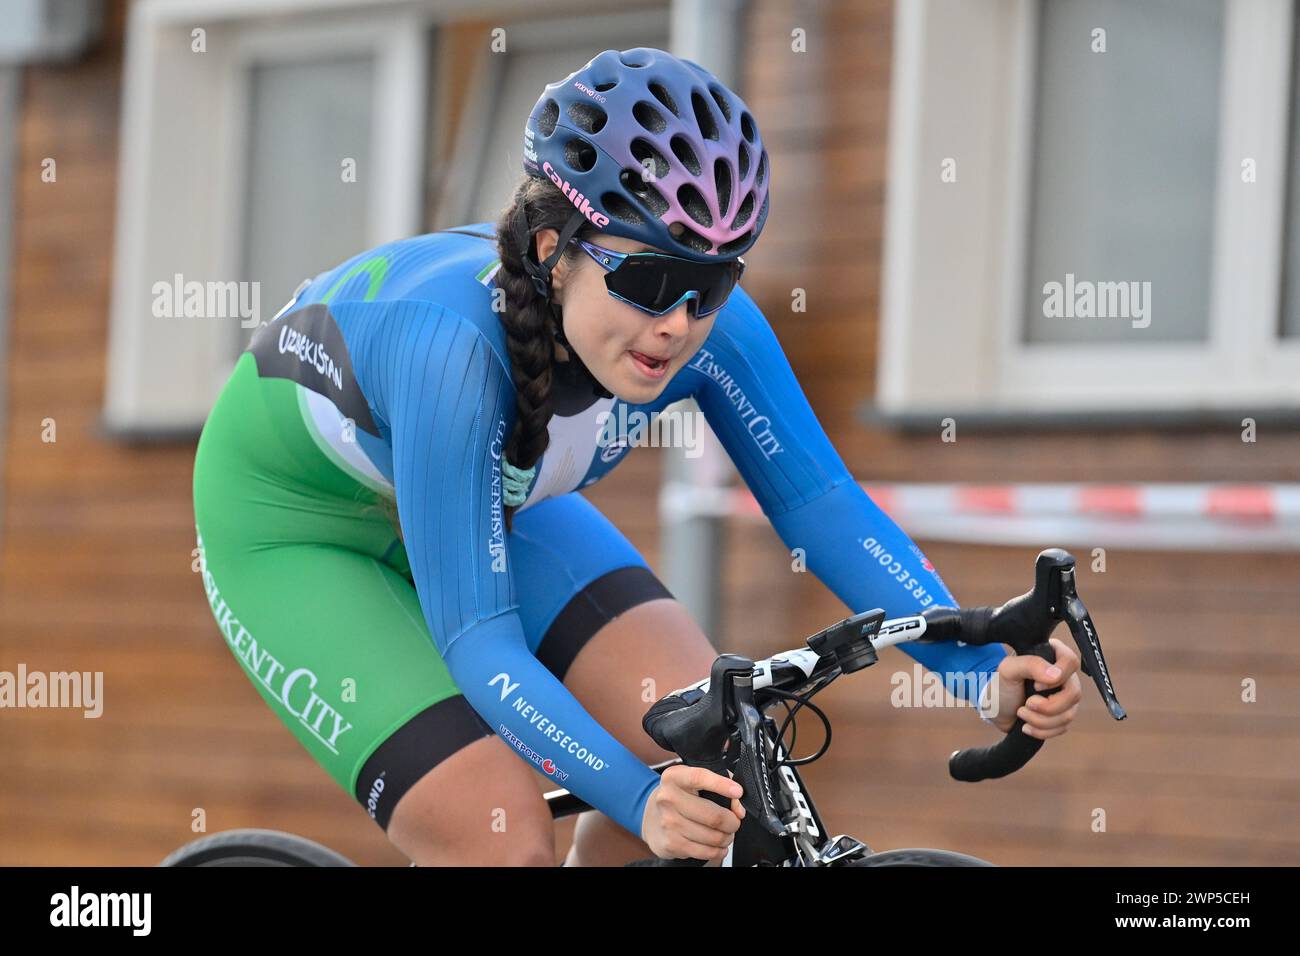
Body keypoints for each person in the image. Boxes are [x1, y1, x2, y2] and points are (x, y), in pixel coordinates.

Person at [191, 46, 1081, 867]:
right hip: (298, 533)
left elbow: (822, 506)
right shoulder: (451, 358)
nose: (678, 325)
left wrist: (978, 670)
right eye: (649, 281)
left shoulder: (705, 332)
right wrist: (636, 797)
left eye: (712, 284)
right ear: (553, 251)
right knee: (502, 835)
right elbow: (481, 643)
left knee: (714, 751)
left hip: (488, 508)